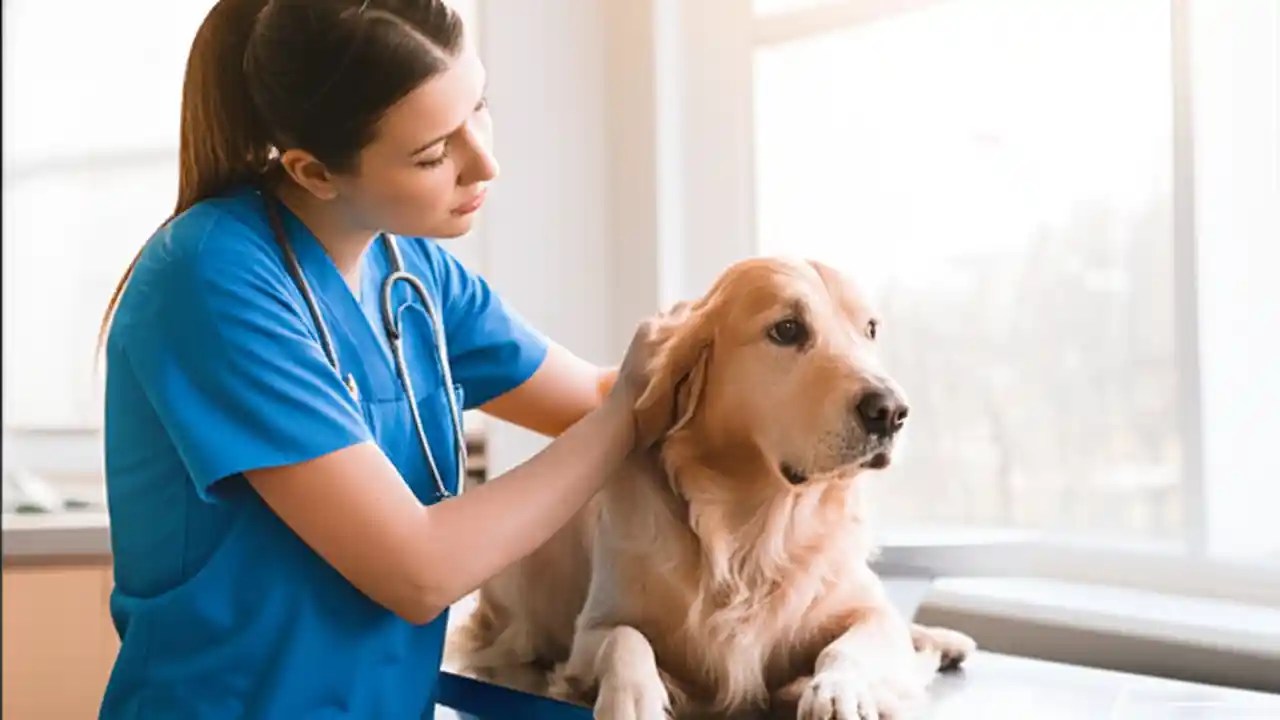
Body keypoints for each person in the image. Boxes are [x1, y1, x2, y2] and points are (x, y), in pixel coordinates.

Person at [96, 0, 664, 717]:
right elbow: (420, 570)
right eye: (432, 154)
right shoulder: (211, 278)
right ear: (315, 170)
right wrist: (617, 421)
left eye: (478, 107)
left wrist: (737, 351)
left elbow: (601, 396)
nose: (484, 162)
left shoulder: (414, 272)